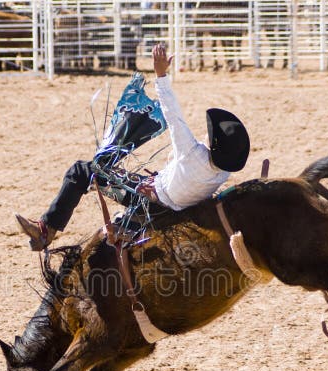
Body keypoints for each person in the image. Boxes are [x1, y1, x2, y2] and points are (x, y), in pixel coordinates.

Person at [15, 43, 250, 251]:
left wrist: (161, 75)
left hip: (149, 201)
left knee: (82, 171)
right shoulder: (222, 174)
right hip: (171, 208)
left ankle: (45, 231)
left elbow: (172, 113)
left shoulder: (192, 153)